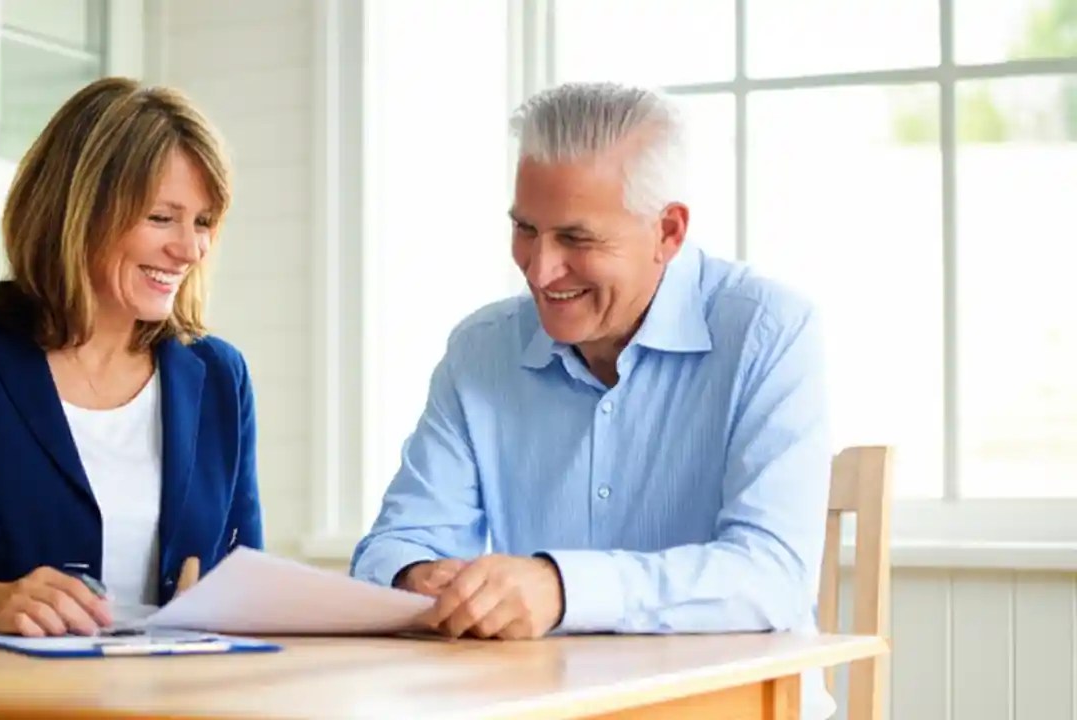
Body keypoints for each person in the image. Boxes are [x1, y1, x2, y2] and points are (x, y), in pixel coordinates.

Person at [350, 82, 833, 716]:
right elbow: (393, 545)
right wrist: (419, 577)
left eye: (577, 239)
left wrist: (560, 586)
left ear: (668, 230)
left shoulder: (770, 330)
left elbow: (772, 577)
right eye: (525, 229)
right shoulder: (480, 352)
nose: (540, 269)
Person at [0, 77, 262, 641]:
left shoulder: (218, 375)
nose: (189, 249)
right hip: (1, 698)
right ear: (77, 211)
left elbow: (252, 586)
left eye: (203, 222)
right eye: (162, 218)